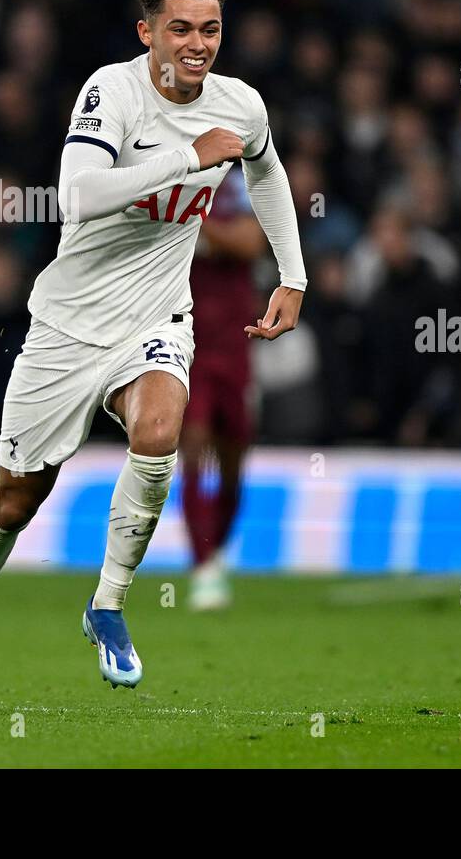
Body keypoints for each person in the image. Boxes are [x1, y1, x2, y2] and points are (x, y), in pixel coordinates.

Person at [0, 0, 307, 712]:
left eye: (211, 28)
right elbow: (79, 195)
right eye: (181, 28)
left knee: (161, 430)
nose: (198, 44)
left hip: (157, 316)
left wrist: (293, 276)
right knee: (16, 498)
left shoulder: (240, 106)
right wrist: (185, 158)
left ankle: (108, 605)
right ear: (148, 32)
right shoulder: (111, 90)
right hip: (68, 325)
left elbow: (268, 172)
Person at [181, 173, 266, 610]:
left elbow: (251, 243)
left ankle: (215, 550)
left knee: (233, 457)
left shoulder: (243, 182)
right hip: (186, 339)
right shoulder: (168, 170)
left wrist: (191, 219)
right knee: (192, 447)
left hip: (236, 344)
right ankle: (202, 565)